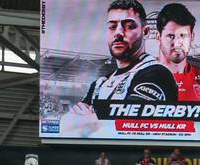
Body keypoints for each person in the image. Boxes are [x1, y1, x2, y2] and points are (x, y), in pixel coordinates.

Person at [66, 0, 179, 136]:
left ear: (146, 32)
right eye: (112, 27)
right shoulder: (99, 84)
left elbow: (131, 129)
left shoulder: (156, 73)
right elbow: (68, 124)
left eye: (129, 26)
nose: (118, 33)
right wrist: (96, 125)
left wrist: (94, 124)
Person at [156, 3, 200, 101]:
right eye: (170, 36)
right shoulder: (139, 78)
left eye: (183, 36)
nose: (177, 43)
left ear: (192, 37)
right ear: (158, 36)